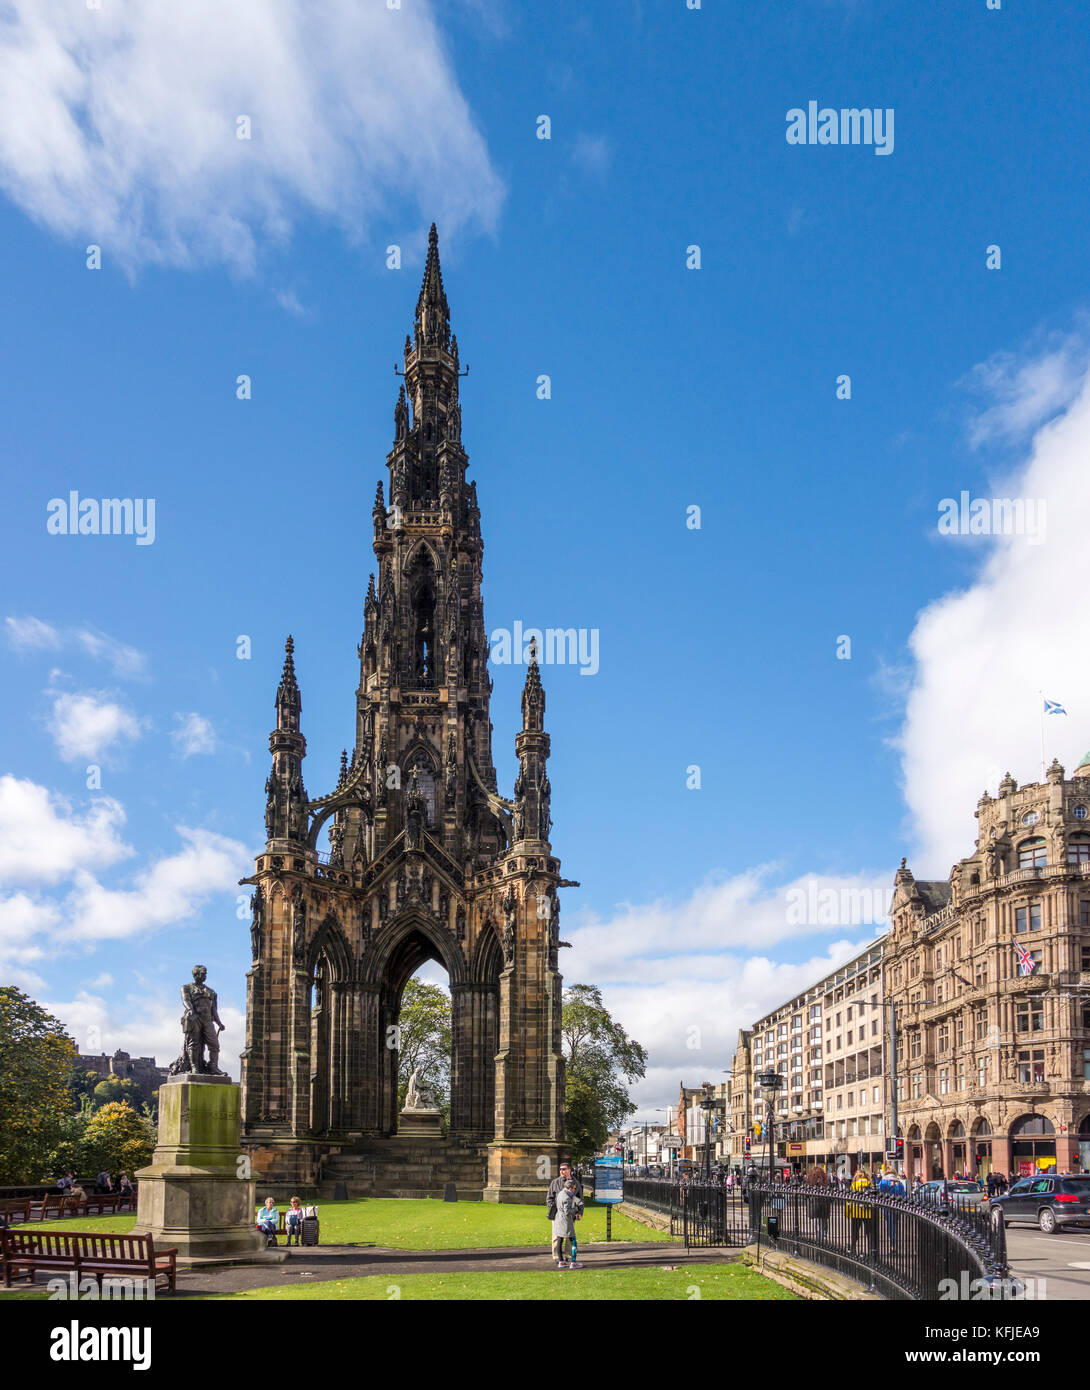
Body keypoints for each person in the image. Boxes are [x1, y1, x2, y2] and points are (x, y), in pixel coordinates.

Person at [552, 1179, 578, 1269]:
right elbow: (568, 1212)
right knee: (573, 1240)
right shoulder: (567, 1198)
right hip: (565, 1222)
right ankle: (573, 1262)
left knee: (560, 1240)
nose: (574, 1190)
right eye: (574, 1188)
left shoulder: (561, 1193)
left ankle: (561, 1261)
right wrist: (575, 1209)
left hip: (558, 1219)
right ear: (570, 1188)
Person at [847, 1168, 873, 1253]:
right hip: (868, 1212)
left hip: (856, 1211)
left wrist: (848, 1212)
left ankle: (853, 1247)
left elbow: (850, 1200)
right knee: (869, 1232)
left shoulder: (854, 1185)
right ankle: (871, 1249)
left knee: (855, 1231)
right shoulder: (870, 1185)